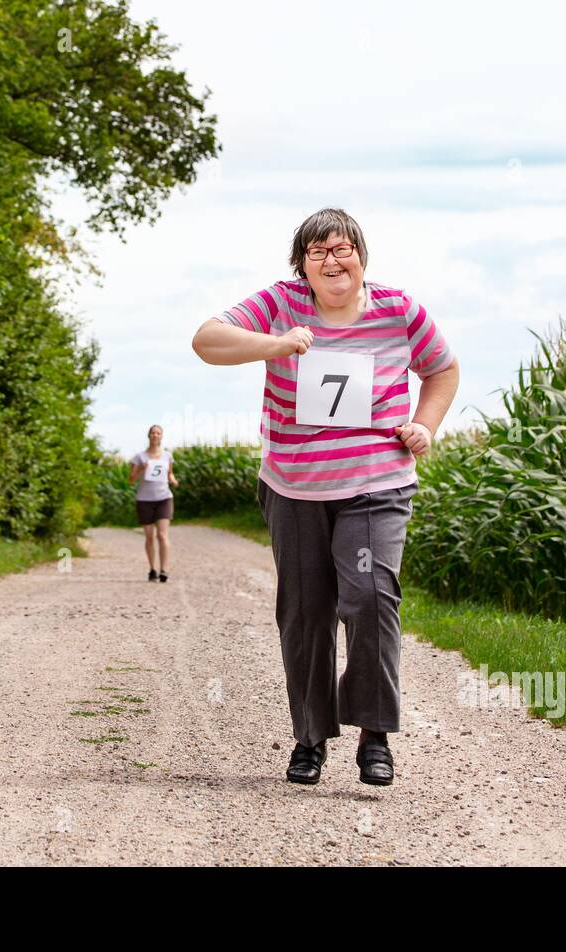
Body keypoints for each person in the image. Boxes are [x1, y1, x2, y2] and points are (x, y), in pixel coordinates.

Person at [191, 207, 460, 787]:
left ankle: (374, 733)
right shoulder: (281, 304)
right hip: (295, 486)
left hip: (377, 480)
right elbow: (206, 341)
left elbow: (442, 370)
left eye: (344, 250)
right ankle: (310, 737)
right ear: (301, 267)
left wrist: (426, 425)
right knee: (306, 613)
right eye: (318, 253)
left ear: (362, 258)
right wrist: (277, 343)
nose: (333, 260)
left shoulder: (400, 310)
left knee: (368, 598)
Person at [127, 424, 179, 582]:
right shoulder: (140, 457)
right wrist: (141, 469)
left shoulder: (167, 456)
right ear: (148, 436)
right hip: (144, 500)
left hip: (164, 498)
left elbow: (170, 474)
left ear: (161, 436)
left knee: (162, 535)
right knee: (150, 536)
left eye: (158, 433)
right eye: (153, 433)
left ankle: (164, 570)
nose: (155, 435)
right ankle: (152, 569)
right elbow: (131, 480)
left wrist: (174, 481)